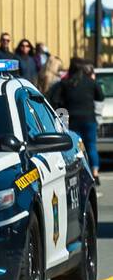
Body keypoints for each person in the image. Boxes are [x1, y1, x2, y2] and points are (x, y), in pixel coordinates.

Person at [48, 58, 104, 186]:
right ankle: (95, 172)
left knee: (75, 148)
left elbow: (55, 100)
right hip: (89, 118)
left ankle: (79, 172)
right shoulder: (91, 82)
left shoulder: (64, 83)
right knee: (91, 146)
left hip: (72, 120)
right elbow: (100, 96)